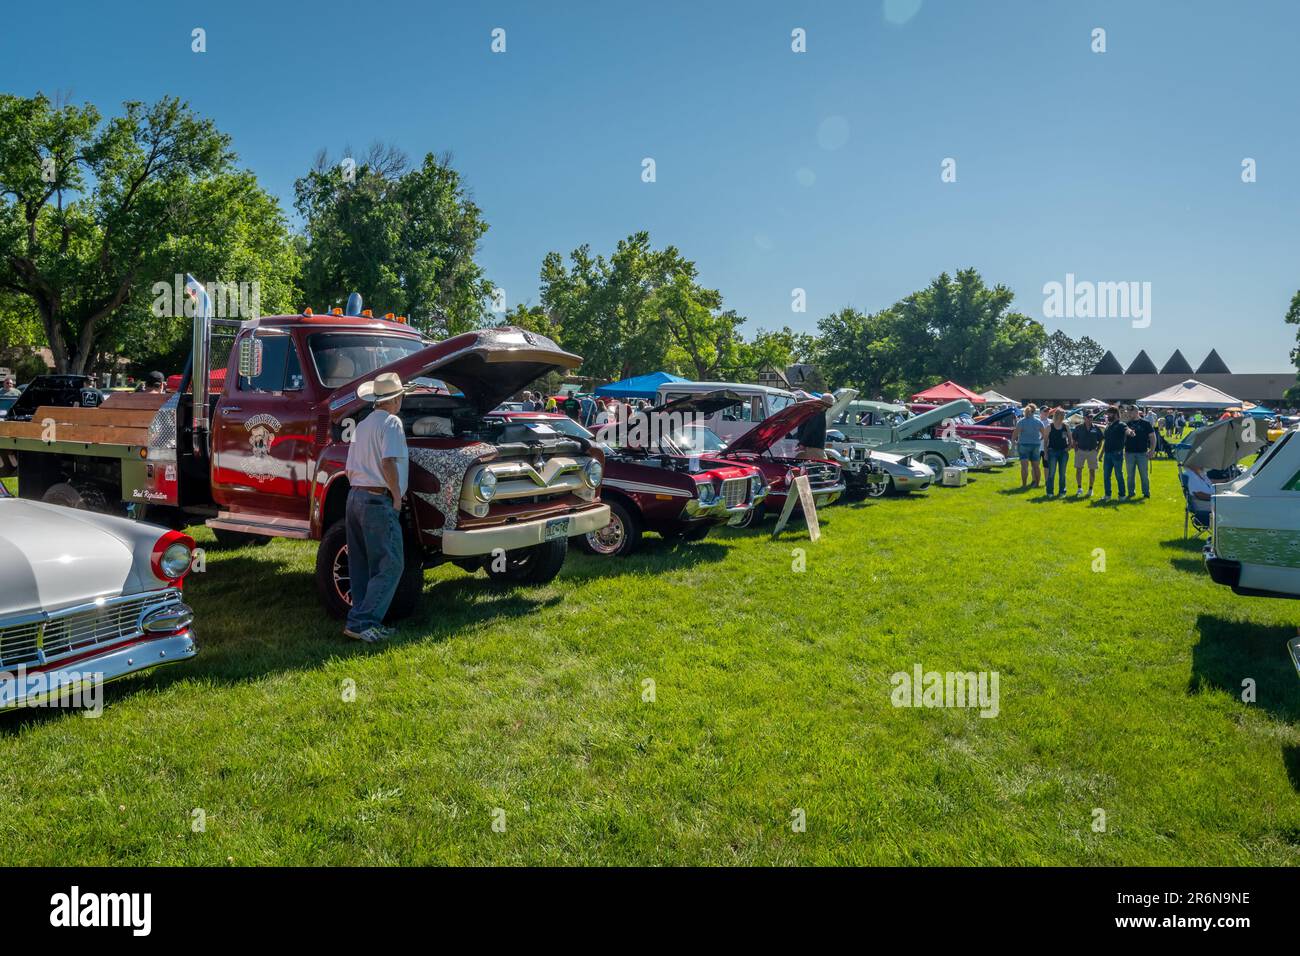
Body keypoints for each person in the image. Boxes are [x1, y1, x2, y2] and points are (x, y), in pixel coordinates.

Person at [342, 372, 410, 643]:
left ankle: (358, 619)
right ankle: (363, 622)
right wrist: (396, 496)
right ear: (395, 398)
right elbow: (388, 462)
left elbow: (348, 469)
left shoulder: (362, 424)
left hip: (355, 496)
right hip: (377, 499)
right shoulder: (392, 422)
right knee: (391, 563)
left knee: (360, 564)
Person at [1123, 404, 1156, 499]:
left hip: (1142, 453)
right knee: (1130, 475)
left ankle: (1146, 493)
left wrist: (1152, 450)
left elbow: (1153, 438)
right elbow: (1123, 438)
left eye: (1131, 412)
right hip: (1129, 453)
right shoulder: (1126, 424)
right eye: (1128, 412)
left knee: (1144, 475)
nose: (1129, 413)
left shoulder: (1146, 423)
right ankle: (1130, 493)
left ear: (1137, 412)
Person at [1071, 411, 1103, 497]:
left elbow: (1101, 440)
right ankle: (1079, 488)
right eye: (1088, 417)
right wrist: (1076, 450)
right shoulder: (1078, 428)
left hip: (1092, 451)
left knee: (1092, 471)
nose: (1090, 419)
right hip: (1080, 451)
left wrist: (1097, 450)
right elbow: (1073, 439)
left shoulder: (1096, 428)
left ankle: (1090, 489)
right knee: (1078, 470)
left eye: (1091, 417)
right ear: (1084, 418)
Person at [794, 392, 835, 459]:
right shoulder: (819, 412)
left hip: (811, 446)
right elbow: (810, 428)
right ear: (829, 403)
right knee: (823, 464)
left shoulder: (815, 410)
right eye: (832, 402)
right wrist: (802, 443)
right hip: (815, 447)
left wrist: (802, 442)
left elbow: (803, 426)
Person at [1043, 408, 1072, 498]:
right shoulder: (1049, 427)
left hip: (1063, 452)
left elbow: (1070, 439)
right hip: (1052, 452)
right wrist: (1045, 453)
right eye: (1061, 414)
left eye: (1063, 415)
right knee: (1051, 473)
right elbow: (1045, 441)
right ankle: (1049, 492)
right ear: (1056, 415)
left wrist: (1069, 447)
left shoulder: (1065, 426)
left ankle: (1062, 492)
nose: (1063, 416)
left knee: (1062, 473)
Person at [1013, 403, 1044, 488]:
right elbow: (1044, 434)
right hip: (1035, 445)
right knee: (1036, 467)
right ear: (1034, 411)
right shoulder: (1038, 421)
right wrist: (1040, 439)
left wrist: (1014, 442)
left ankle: (1024, 485)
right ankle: (1037, 484)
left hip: (1023, 444)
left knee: (1024, 467)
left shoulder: (1021, 421)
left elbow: (1015, 434)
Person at [1100, 404, 1127, 501]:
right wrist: (1101, 454)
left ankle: (1122, 495)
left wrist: (1130, 432)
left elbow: (1127, 430)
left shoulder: (1121, 424)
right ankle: (1107, 495)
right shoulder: (1108, 426)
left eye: (1109, 414)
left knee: (1119, 475)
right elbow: (1106, 441)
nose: (1107, 416)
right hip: (1107, 454)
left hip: (1117, 454)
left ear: (1115, 414)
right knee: (1106, 476)